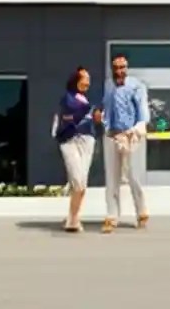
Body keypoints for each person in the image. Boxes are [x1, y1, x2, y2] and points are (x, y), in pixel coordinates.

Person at [97, 52, 149, 233]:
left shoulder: (136, 86)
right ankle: (112, 217)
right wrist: (102, 120)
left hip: (131, 136)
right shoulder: (108, 85)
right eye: (116, 68)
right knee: (112, 178)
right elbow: (106, 108)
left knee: (133, 176)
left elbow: (143, 111)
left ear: (127, 68)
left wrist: (136, 130)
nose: (119, 71)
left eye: (122, 67)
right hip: (112, 136)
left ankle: (141, 212)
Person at [54, 66, 99, 233]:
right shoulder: (68, 98)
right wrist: (91, 110)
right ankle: (72, 220)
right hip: (70, 141)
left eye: (88, 78)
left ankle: (73, 217)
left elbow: (92, 118)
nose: (88, 81)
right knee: (78, 181)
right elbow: (71, 113)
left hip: (87, 141)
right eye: (84, 78)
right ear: (76, 81)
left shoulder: (86, 100)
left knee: (82, 184)